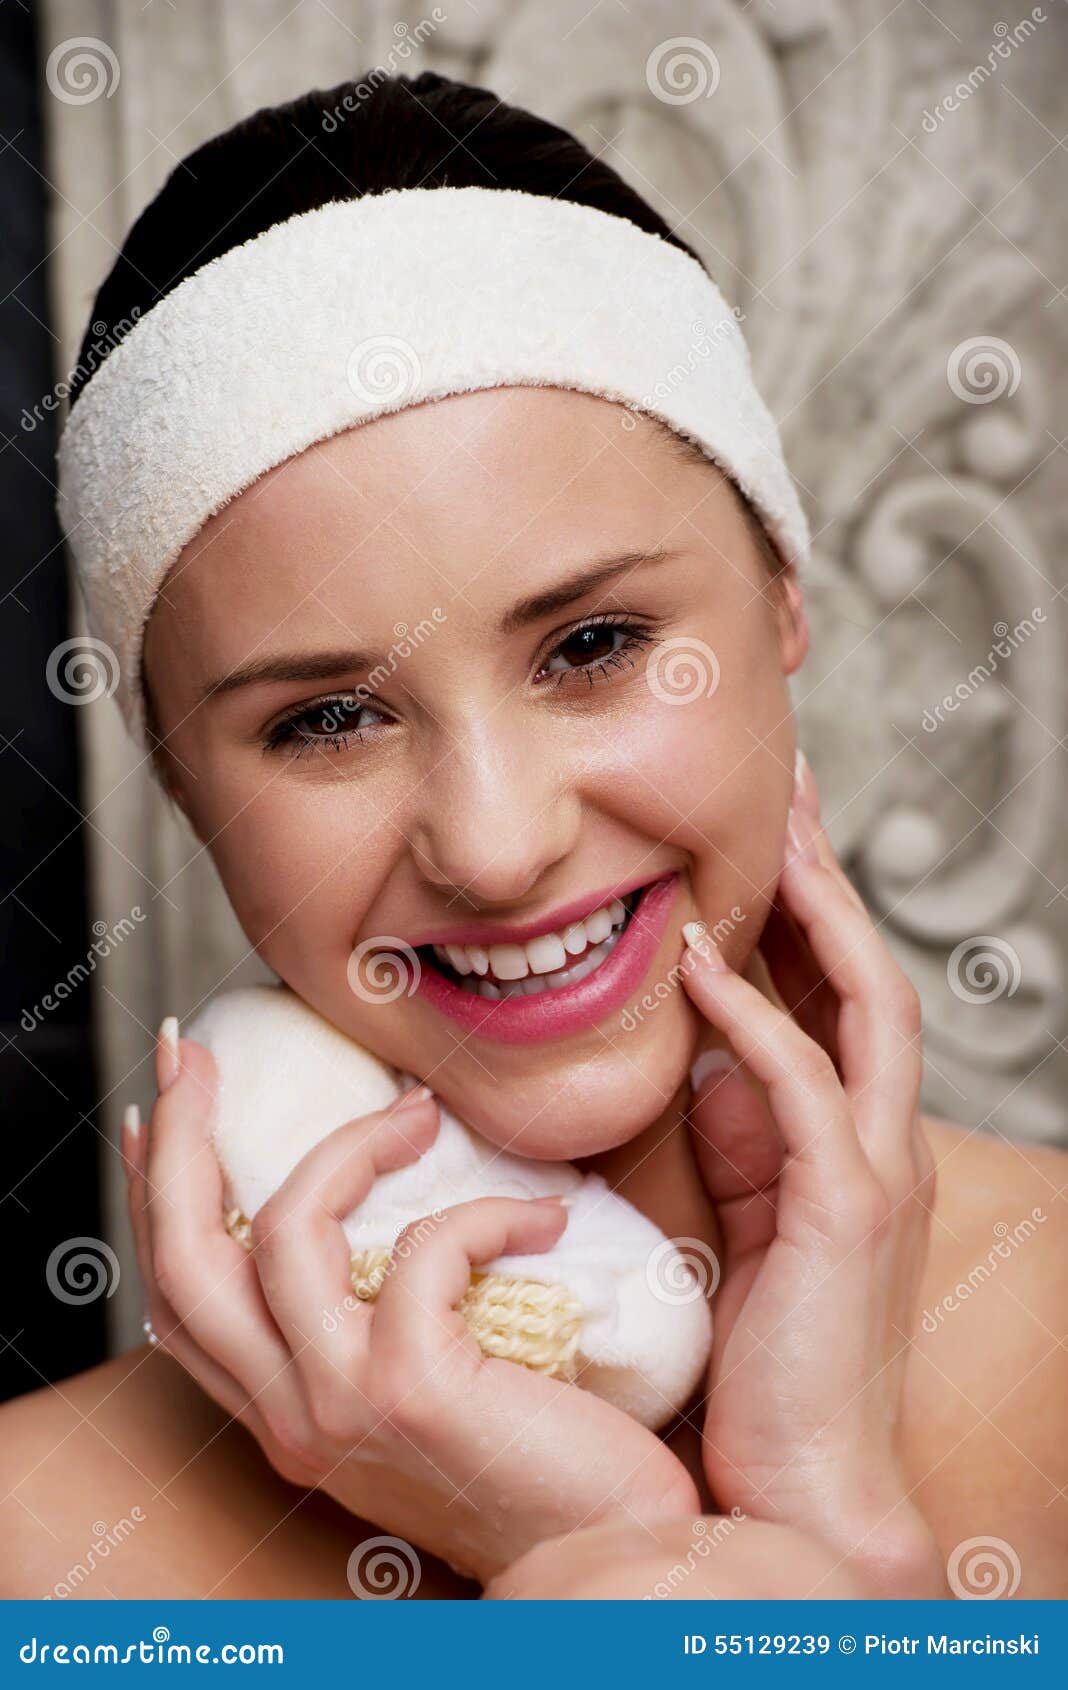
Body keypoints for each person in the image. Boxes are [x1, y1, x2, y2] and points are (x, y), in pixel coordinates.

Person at [2, 72, 1065, 1603]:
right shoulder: (38, 1561)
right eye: (325, 719)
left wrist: (822, 1521)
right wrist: (617, 1553)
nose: (496, 848)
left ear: (782, 595)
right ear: (178, 780)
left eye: (593, 644)